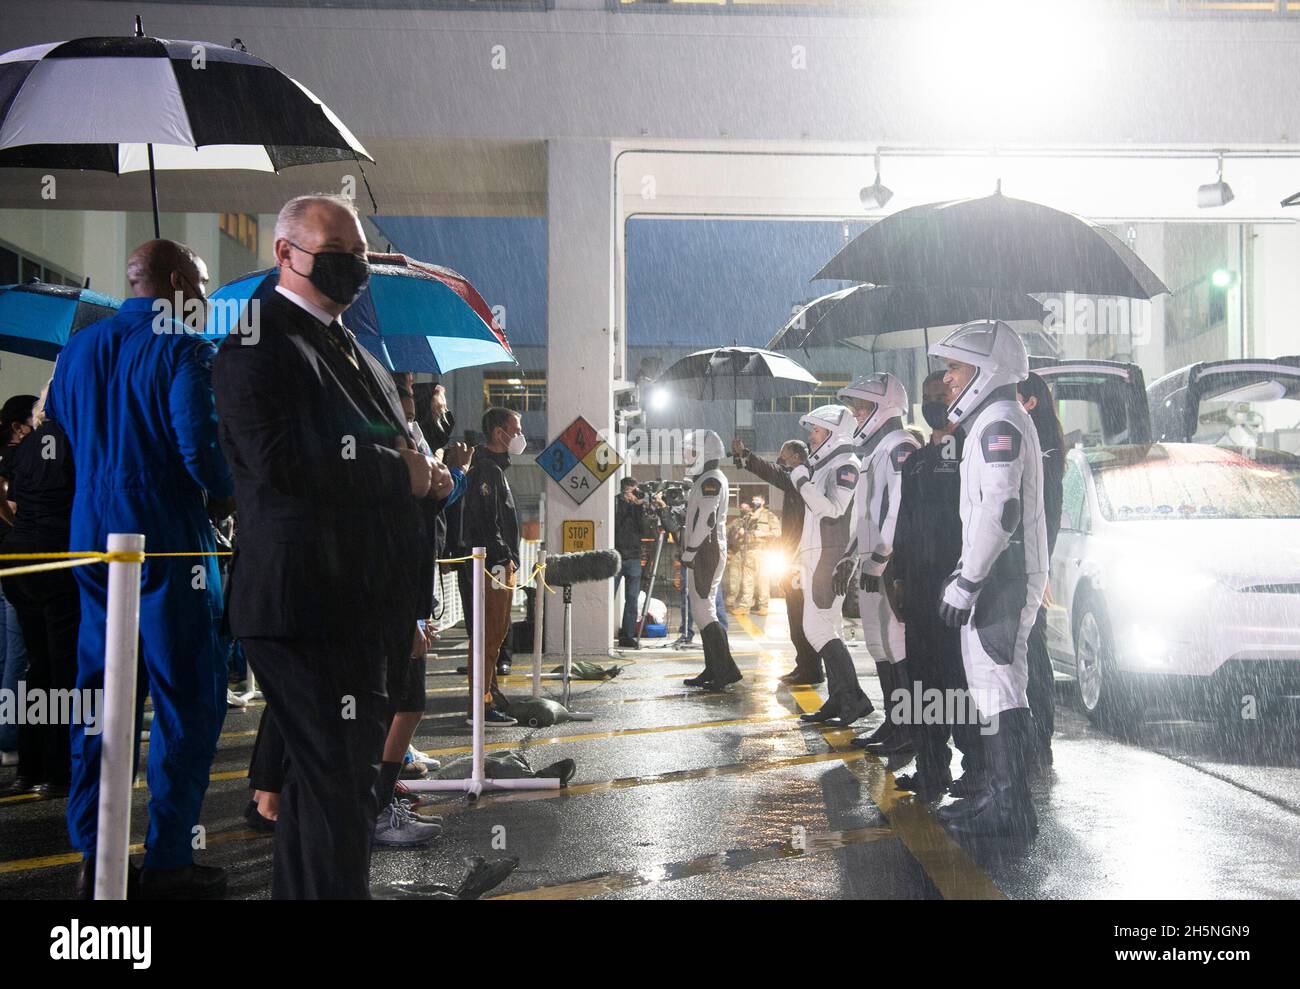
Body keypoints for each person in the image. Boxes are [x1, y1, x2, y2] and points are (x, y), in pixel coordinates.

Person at [215, 194, 432, 898]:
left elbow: (385, 454)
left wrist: (421, 471)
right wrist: (397, 469)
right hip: (303, 603)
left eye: (361, 258)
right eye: (339, 257)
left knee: (327, 790)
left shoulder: (352, 347)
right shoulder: (259, 340)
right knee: (340, 790)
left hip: (358, 606)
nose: (355, 270)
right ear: (286, 253)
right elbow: (281, 458)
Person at [46, 239, 235, 899]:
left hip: (92, 543)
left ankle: (94, 858)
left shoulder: (78, 350)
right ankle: (169, 859)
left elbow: (66, 431)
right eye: (205, 284)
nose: (207, 299)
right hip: (168, 544)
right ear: (180, 280)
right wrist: (231, 487)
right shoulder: (185, 348)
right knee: (189, 697)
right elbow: (202, 455)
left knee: (100, 699)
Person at [929, 320, 1048, 838]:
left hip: (1000, 577)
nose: (947, 380)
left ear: (984, 369)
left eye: (955, 368)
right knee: (999, 686)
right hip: (1003, 573)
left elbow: (1002, 509)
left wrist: (968, 582)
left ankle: (1008, 805)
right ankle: (1006, 799)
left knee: (997, 686)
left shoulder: (999, 420)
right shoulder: (1001, 418)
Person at [889, 371, 980, 801]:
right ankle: (931, 767)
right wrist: (898, 577)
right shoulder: (916, 461)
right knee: (923, 681)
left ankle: (977, 768)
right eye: (927, 398)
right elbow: (904, 525)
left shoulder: (970, 452)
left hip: (958, 586)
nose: (934, 404)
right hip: (921, 589)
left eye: (941, 396)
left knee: (959, 680)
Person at [835, 373, 921, 756]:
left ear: (884, 407)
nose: (856, 413)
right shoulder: (875, 451)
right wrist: (852, 556)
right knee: (878, 646)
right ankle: (894, 723)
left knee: (897, 647)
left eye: (863, 406)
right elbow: (866, 516)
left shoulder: (900, 445)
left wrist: (880, 559)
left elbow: (898, 507)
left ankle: (910, 731)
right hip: (872, 563)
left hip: (890, 567)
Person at [0, 389, 78, 797]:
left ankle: (28, 769)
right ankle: (59, 769)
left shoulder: (24, 446)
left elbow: (9, 495)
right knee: (63, 666)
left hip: (18, 560)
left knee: (35, 666)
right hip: (61, 559)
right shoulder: (79, 442)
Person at [791, 405, 874, 727]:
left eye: (815, 430)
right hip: (819, 554)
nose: (810, 438)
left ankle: (853, 699)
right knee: (828, 628)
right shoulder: (829, 466)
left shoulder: (846, 465)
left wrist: (801, 482)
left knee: (818, 629)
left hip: (831, 555)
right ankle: (841, 699)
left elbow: (834, 510)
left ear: (832, 432)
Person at [732, 437, 822, 684]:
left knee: (801, 615)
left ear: (796, 456)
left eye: (784, 454)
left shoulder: (801, 479)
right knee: (796, 615)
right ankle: (804, 665)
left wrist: (747, 456)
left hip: (800, 558)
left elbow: (772, 473)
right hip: (794, 557)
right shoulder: (799, 479)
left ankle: (811, 669)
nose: (781, 459)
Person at [462, 406, 526, 728]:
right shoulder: (487, 469)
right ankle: (480, 707)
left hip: (496, 563)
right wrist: (504, 556)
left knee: (492, 634)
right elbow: (487, 521)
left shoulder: (493, 468)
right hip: (494, 565)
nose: (520, 436)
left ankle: (486, 697)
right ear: (499, 433)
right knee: (489, 634)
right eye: (516, 428)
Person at [1018, 371, 1065, 770]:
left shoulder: (1044, 450)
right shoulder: (1034, 443)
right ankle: (1033, 738)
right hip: (1029, 564)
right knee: (1028, 651)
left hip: (1032, 567)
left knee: (1033, 652)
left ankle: (1039, 738)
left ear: (1029, 401)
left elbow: (1048, 515)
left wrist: (1041, 568)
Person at [680, 430, 741, 690]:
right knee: (702, 612)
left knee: (705, 611)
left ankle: (723, 671)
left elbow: (707, 518)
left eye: (693, 451)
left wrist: (690, 550)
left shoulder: (711, 479)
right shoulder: (706, 478)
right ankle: (717, 668)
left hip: (707, 549)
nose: (688, 456)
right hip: (704, 548)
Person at [0, 394, 38, 771]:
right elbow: (10, 506)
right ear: (17, 426)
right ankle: (9, 734)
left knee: (8, 655)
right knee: (19, 656)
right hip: (17, 561)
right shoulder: (17, 458)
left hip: (8, 562)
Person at [614, 477, 647, 648]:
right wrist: (625, 504)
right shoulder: (615, 503)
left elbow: (643, 528)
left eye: (636, 490)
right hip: (616, 556)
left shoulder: (637, 506)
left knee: (632, 599)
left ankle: (627, 636)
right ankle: (603, 631)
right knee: (608, 596)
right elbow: (616, 525)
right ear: (624, 489)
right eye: (631, 490)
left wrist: (638, 506)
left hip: (633, 557)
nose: (634, 494)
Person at [746, 493, 779, 615]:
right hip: (749, 551)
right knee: (747, 581)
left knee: (763, 579)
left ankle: (763, 606)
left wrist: (763, 534)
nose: (755, 501)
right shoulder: (749, 516)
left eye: (757, 499)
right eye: (753, 499)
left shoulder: (769, 515)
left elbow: (777, 532)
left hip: (763, 551)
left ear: (763, 501)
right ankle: (746, 606)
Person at [724, 502, 753, 613]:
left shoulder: (754, 521)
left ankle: (749, 603)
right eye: (741, 508)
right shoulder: (735, 522)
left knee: (749, 580)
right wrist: (727, 550)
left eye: (746, 507)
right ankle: (730, 603)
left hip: (750, 553)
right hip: (736, 553)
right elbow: (725, 532)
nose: (743, 510)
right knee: (733, 579)